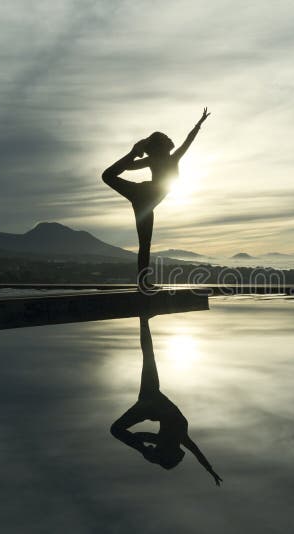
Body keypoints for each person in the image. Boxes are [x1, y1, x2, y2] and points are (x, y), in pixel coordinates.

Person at [110, 316, 223, 486]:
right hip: (149, 400)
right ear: (168, 452)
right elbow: (197, 453)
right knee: (148, 356)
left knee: (148, 356)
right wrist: (210, 470)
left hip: (148, 403)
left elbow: (139, 436)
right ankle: (144, 319)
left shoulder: (169, 440)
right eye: (160, 452)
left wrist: (143, 449)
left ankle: (144, 319)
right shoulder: (178, 438)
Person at [102, 108, 211, 274]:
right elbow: (128, 167)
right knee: (107, 176)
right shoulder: (155, 159)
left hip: (146, 203)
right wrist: (133, 153)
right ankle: (143, 281)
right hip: (142, 194)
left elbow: (189, 140)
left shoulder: (173, 158)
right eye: (165, 138)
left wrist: (199, 123)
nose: (170, 138)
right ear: (160, 145)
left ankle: (143, 281)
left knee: (145, 244)